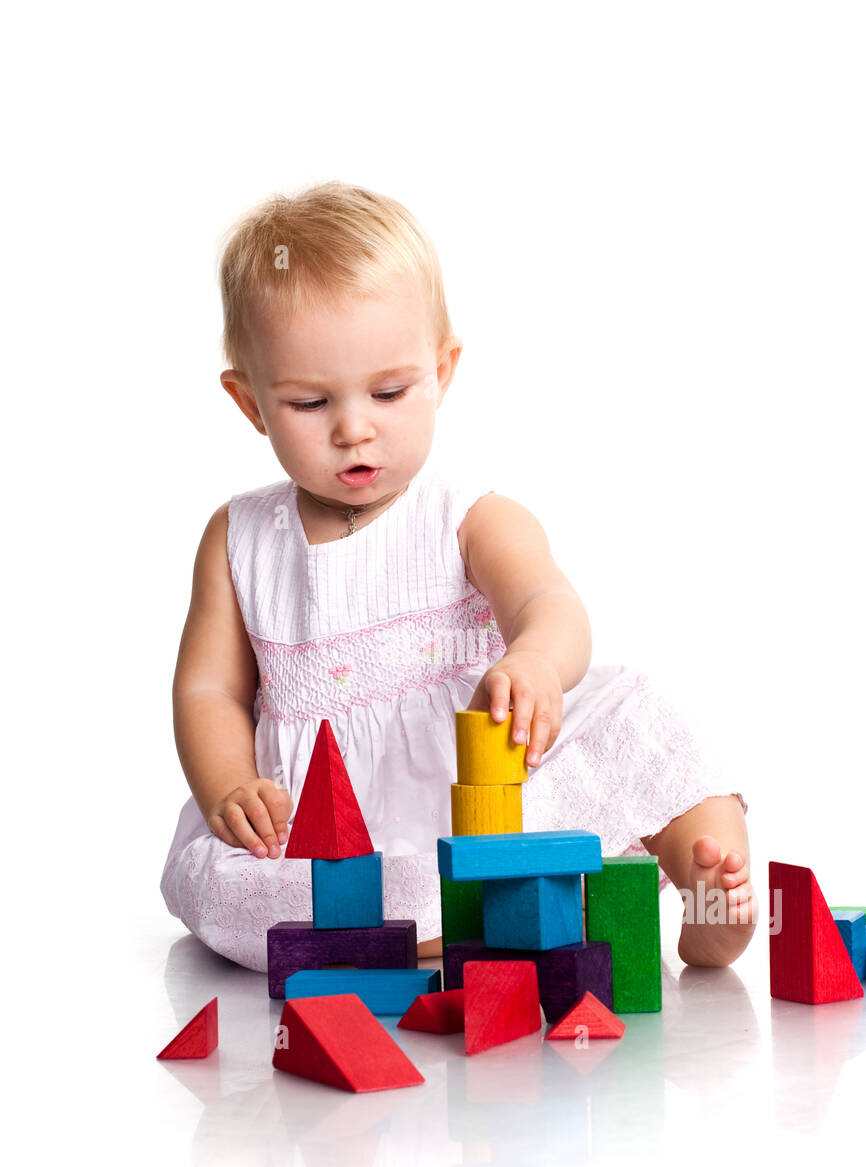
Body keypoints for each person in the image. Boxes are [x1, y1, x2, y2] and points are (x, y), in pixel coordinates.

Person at [161, 180, 758, 974]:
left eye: (389, 391)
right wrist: (229, 783)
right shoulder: (239, 538)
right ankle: (499, 923)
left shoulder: (471, 517)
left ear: (442, 371)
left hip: (487, 782)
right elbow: (209, 691)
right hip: (334, 828)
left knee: (639, 719)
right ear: (250, 404)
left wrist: (535, 662)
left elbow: (550, 603)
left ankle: (709, 895)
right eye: (308, 402)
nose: (354, 427)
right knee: (260, 896)